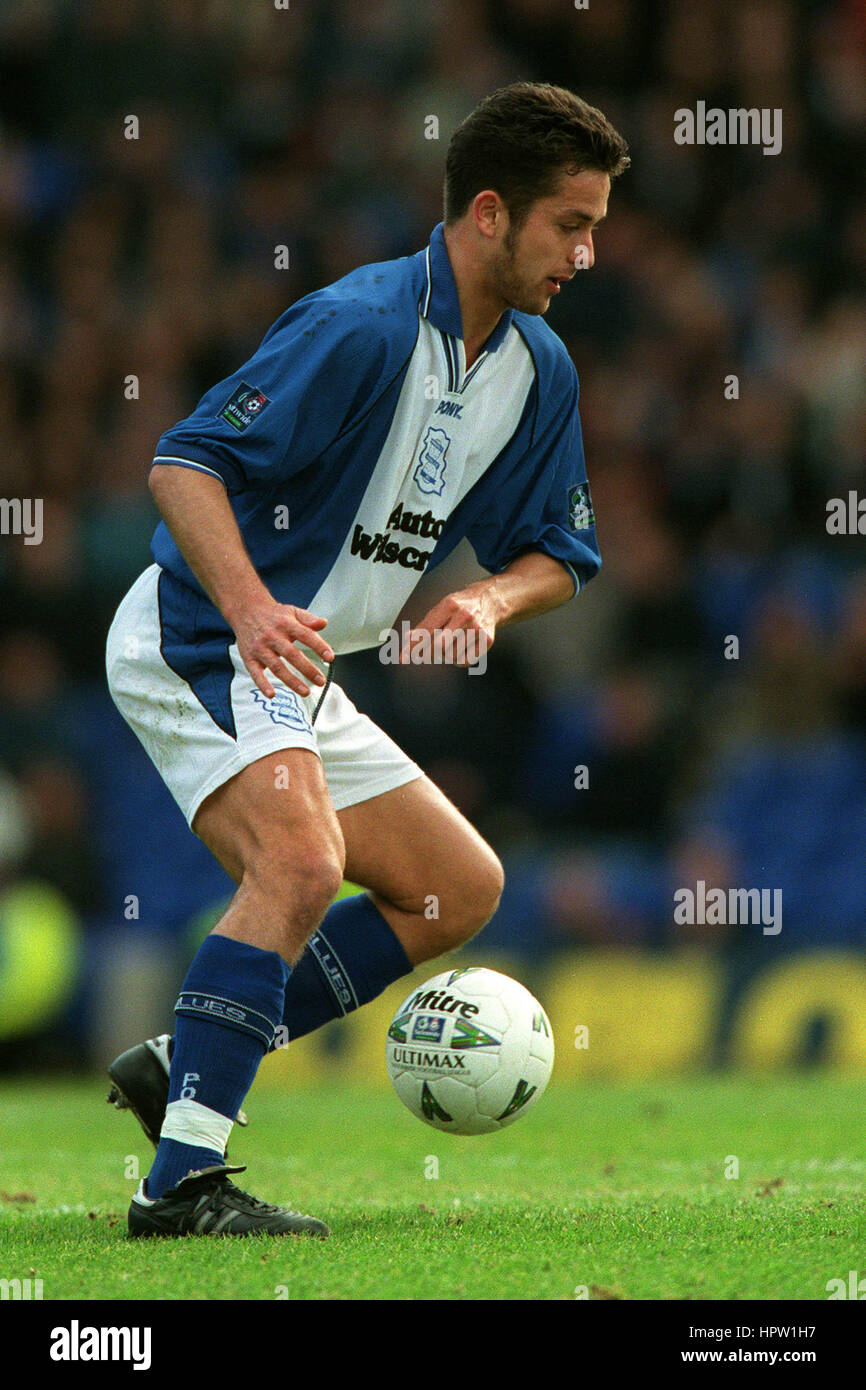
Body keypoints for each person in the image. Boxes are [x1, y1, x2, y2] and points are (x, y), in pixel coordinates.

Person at [105, 81, 628, 1238]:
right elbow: (183, 463)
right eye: (571, 225)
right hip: (200, 632)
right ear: (489, 212)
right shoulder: (360, 325)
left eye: (594, 227)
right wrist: (248, 610)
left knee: (457, 887)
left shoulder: (537, 369)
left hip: (297, 663)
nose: (587, 255)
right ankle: (179, 1184)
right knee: (299, 865)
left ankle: (179, 1061)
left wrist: (488, 599)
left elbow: (562, 552)